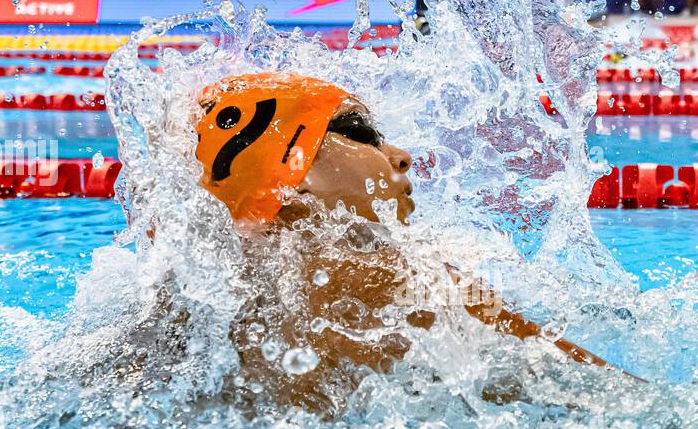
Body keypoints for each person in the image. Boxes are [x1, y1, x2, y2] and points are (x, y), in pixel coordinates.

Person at [192, 72, 611, 411]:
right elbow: (600, 394)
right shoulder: (395, 276)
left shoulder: (198, 295)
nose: (400, 156)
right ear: (291, 177)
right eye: (361, 132)